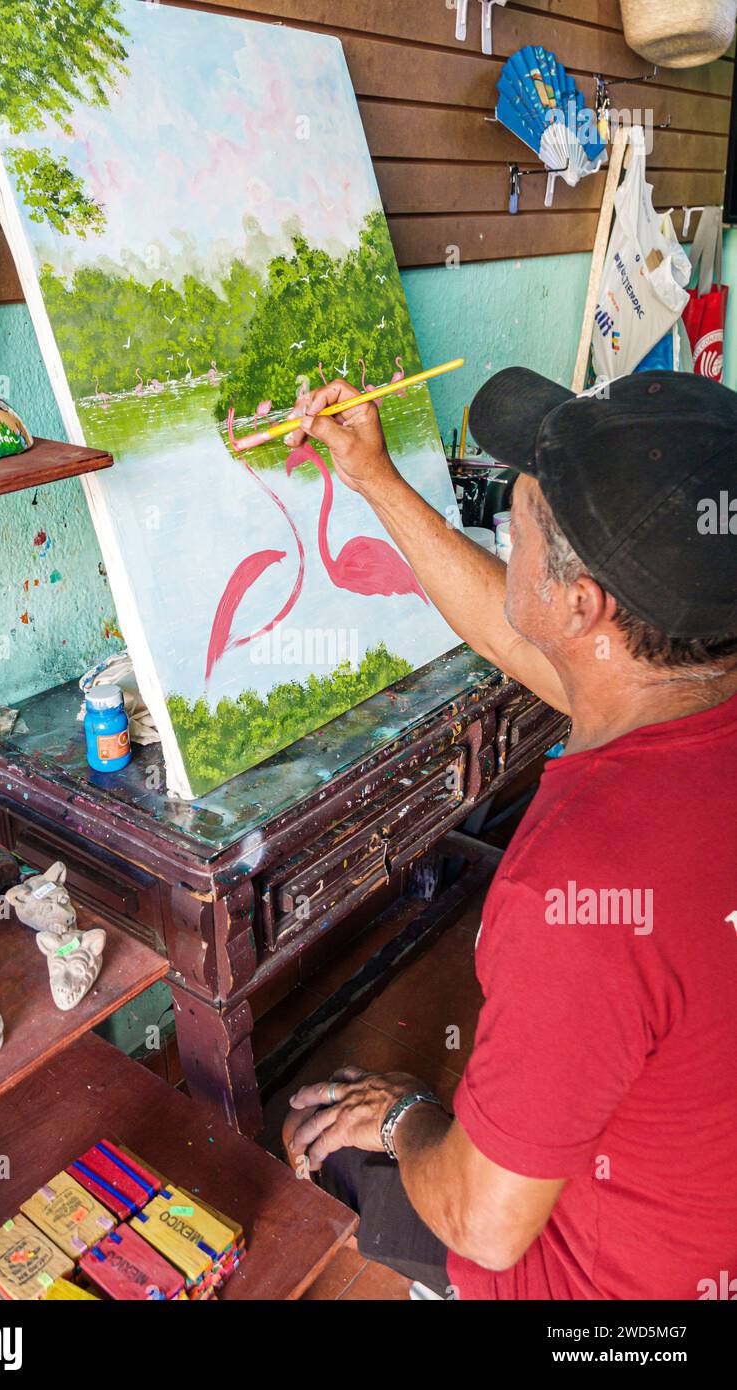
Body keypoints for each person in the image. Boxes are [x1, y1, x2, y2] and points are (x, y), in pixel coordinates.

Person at [282, 367, 737, 1299]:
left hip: (613, 1300)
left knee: (315, 1137)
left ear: (583, 606)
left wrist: (404, 1116)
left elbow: (485, 1228)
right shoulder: (686, 679)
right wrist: (374, 479)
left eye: (516, 527)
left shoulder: (583, 888)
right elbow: (513, 635)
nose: (508, 539)